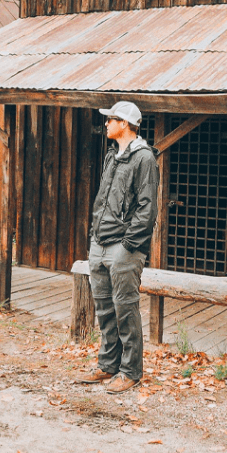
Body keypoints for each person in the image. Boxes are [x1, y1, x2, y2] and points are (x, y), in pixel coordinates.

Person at [77, 101, 159, 394]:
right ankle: (108, 365)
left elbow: (147, 209)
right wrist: (94, 236)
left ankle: (130, 371)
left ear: (125, 124)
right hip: (100, 243)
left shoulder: (144, 158)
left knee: (125, 309)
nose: (106, 124)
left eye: (111, 119)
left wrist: (128, 245)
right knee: (105, 309)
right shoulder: (112, 156)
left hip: (124, 248)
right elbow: (103, 201)